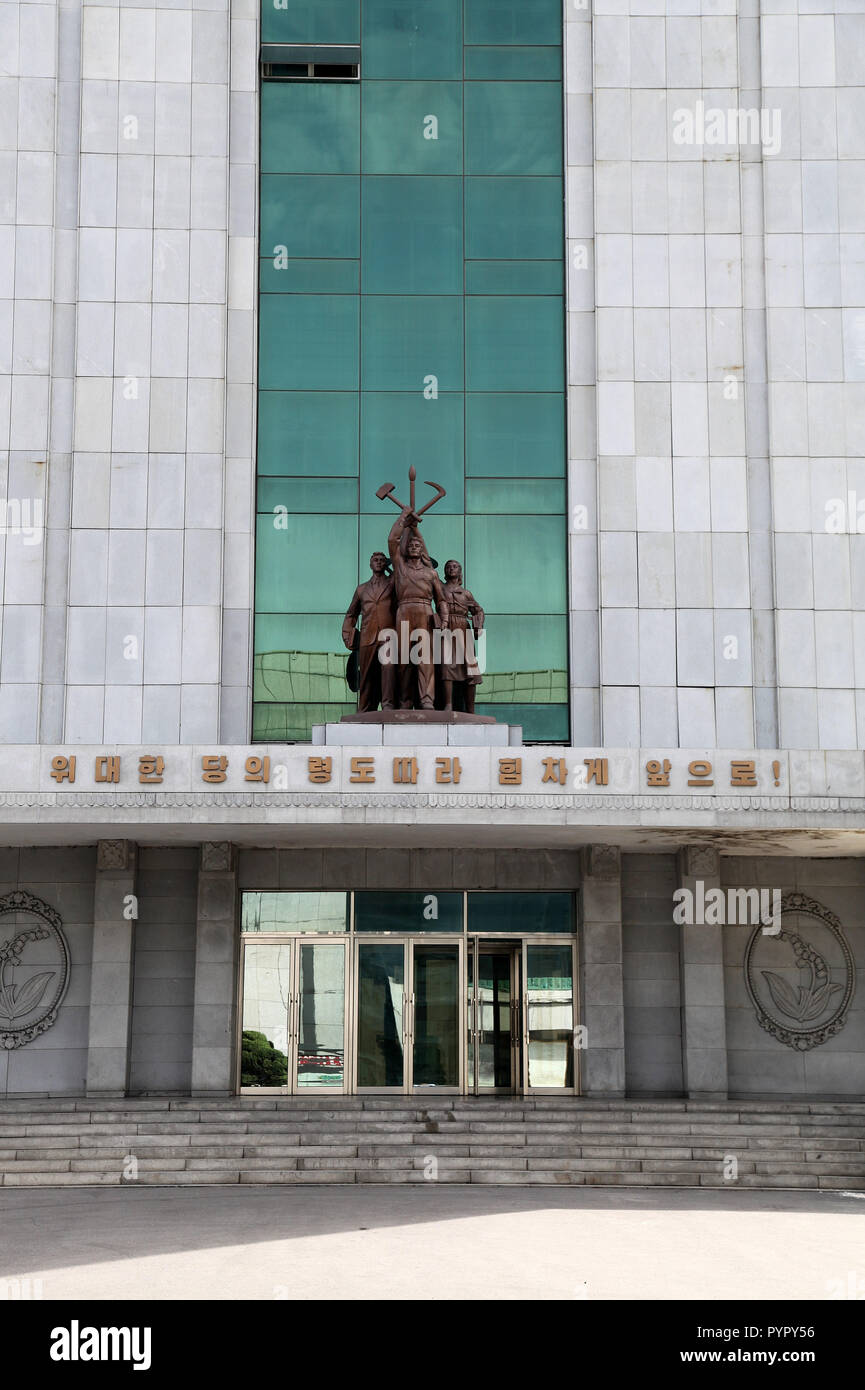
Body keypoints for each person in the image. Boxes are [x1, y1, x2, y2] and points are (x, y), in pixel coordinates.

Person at [387, 508, 449, 710]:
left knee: (425, 659)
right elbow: (392, 540)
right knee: (404, 660)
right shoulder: (400, 567)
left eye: (417, 544)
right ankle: (405, 700)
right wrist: (404, 518)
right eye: (411, 544)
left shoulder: (431, 573)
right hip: (404, 612)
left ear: (422, 550)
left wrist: (445, 619)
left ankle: (427, 699)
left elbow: (441, 600)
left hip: (425, 613)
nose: (414, 546)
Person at [341, 552, 396, 713]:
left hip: (388, 635)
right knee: (366, 674)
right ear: (370, 565)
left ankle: (388, 705)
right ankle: (364, 708)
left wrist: (391, 571)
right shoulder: (361, 589)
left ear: (386, 564)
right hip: (367, 636)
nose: (378, 563)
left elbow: (403, 583)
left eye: (381, 561)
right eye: (375, 560)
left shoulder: (392, 584)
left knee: (388, 671)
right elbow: (351, 614)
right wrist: (347, 634)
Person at [439, 560, 484, 713]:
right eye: (449, 567)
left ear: (460, 571)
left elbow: (478, 611)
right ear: (445, 572)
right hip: (446, 627)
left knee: (470, 668)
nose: (452, 568)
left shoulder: (466, 593)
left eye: (455, 566)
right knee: (447, 664)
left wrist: (478, 626)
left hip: (463, 629)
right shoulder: (439, 588)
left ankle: (471, 709)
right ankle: (448, 705)